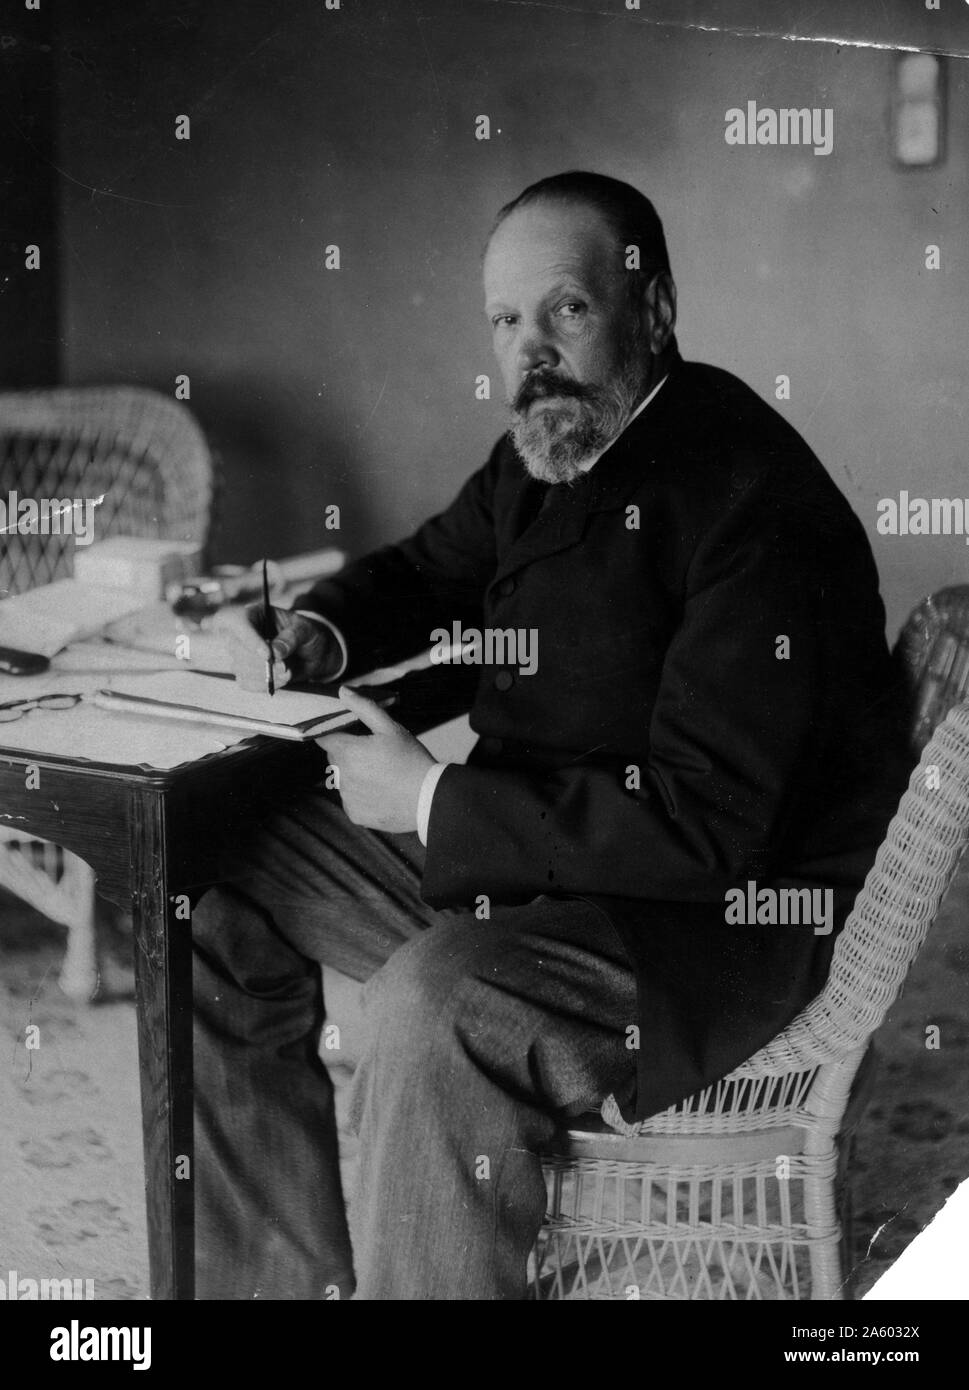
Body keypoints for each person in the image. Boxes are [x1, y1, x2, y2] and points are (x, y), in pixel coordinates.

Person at [195, 171, 911, 1301]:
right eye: (505, 319)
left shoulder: (753, 501)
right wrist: (321, 631)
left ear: (654, 309)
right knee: (210, 869)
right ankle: (274, 1285)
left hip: (697, 924)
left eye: (565, 310)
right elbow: (430, 568)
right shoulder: (547, 441)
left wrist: (431, 802)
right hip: (536, 867)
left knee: (438, 1009)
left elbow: (706, 827)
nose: (530, 350)